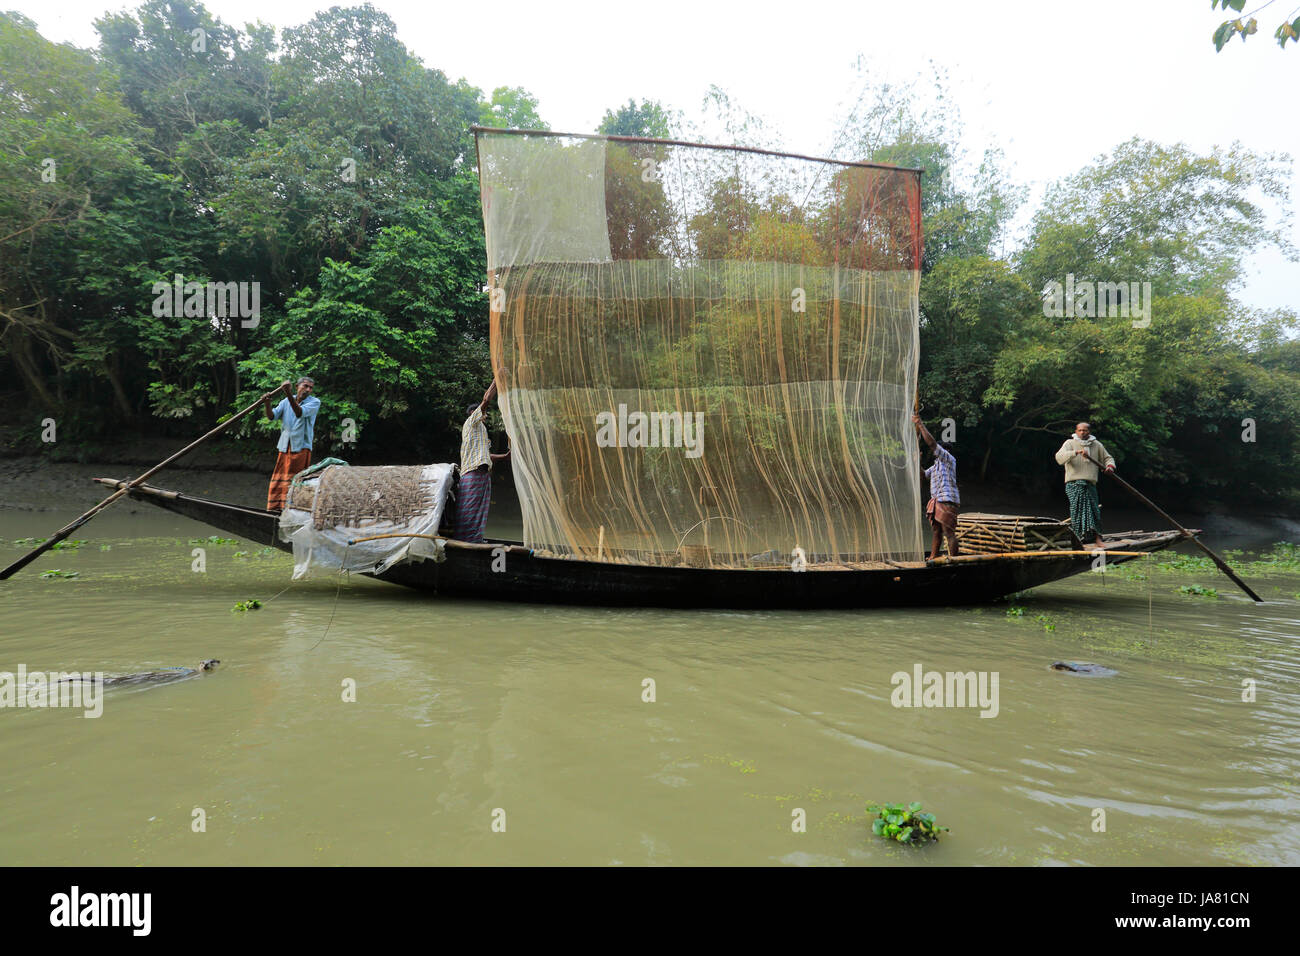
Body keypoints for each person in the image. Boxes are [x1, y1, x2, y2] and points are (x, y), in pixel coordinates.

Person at [456, 380, 510, 542]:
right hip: (472, 471)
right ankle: (465, 539)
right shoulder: (471, 423)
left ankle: (475, 538)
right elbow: (486, 400)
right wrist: (496, 381)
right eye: (480, 412)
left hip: (482, 472)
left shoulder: (482, 430)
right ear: (473, 413)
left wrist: (505, 457)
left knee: (480, 508)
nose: (484, 414)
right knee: (469, 507)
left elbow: (486, 454)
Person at [1054, 421, 1115, 548]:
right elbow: (1059, 458)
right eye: (1080, 430)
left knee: (1094, 511)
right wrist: (1075, 452)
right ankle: (1078, 539)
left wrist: (1110, 466)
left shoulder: (1097, 445)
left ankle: (1098, 538)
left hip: (1090, 484)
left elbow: (1108, 458)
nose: (1082, 432)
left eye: (1085, 430)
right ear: (1076, 431)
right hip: (1074, 484)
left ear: (1089, 432)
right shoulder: (1069, 443)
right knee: (1076, 511)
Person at [263, 377, 320, 511]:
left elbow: (299, 412)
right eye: (305, 386)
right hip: (285, 446)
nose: (308, 390)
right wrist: (267, 403)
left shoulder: (314, 402)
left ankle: (292, 509)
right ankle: (276, 508)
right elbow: (272, 417)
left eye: (310, 388)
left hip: (300, 447)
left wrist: (288, 393)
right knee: (279, 480)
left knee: (295, 480)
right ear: (297, 386)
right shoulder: (285, 402)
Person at [914, 414, 960, 558]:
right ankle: (933, 557)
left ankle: (953, 560)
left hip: (946, 499)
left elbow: (932, 444)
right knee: (936, 531)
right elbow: (923, 475)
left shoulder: (949, 459)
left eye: (943, 449)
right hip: (936, 501)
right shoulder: (935, 467)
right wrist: (918, 460)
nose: (940, 451)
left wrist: (920, 424)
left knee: (948, 532)